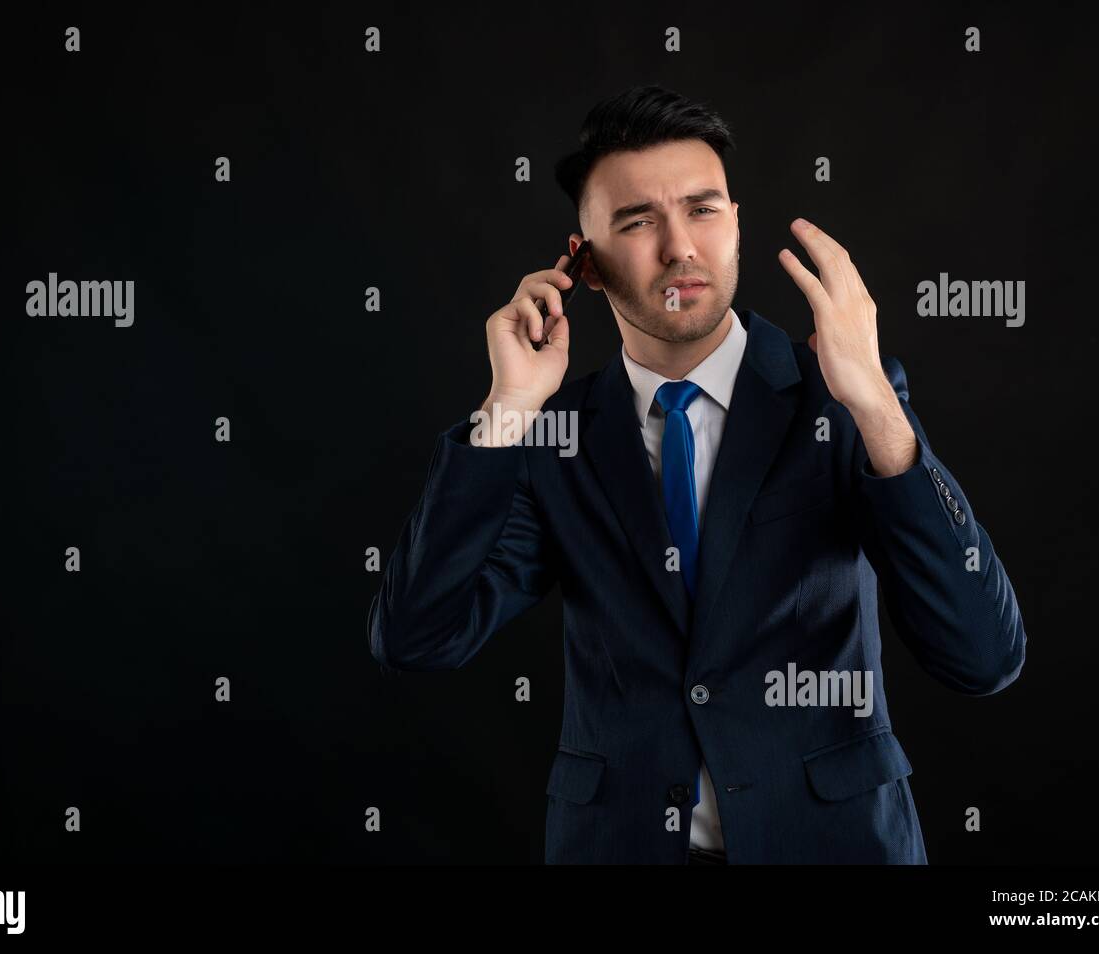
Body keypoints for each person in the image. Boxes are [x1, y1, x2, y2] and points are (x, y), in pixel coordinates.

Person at [367, 85, 1027, 864]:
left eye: (703, 209)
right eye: (638, 221)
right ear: (584, 263)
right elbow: (416, 637)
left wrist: (878, 407)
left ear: (737, 224)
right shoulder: (551, 440)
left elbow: (984, 659)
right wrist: (507, 407)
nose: (680, 246)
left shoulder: (843, 398)